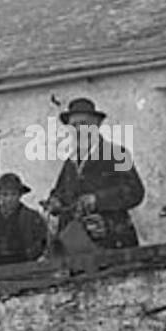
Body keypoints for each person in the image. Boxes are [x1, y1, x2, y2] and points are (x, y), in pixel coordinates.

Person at [42, 97, 145, 249]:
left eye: (83, 124)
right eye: (74, 126)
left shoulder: (117, 154)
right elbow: (60, 192)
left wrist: (97, 199)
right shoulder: (70, 162)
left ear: (96, 125)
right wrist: (55, 201)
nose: (78, 130)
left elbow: (135, 192)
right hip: (76, 243)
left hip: (112, 239)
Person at [0, 173, 50, 267]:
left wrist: (29, 255)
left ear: (20, 195)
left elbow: (43, 240)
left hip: (25, 267)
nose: (9, 199)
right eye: (5, 194)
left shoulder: (32, 217)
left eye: (13, 194)